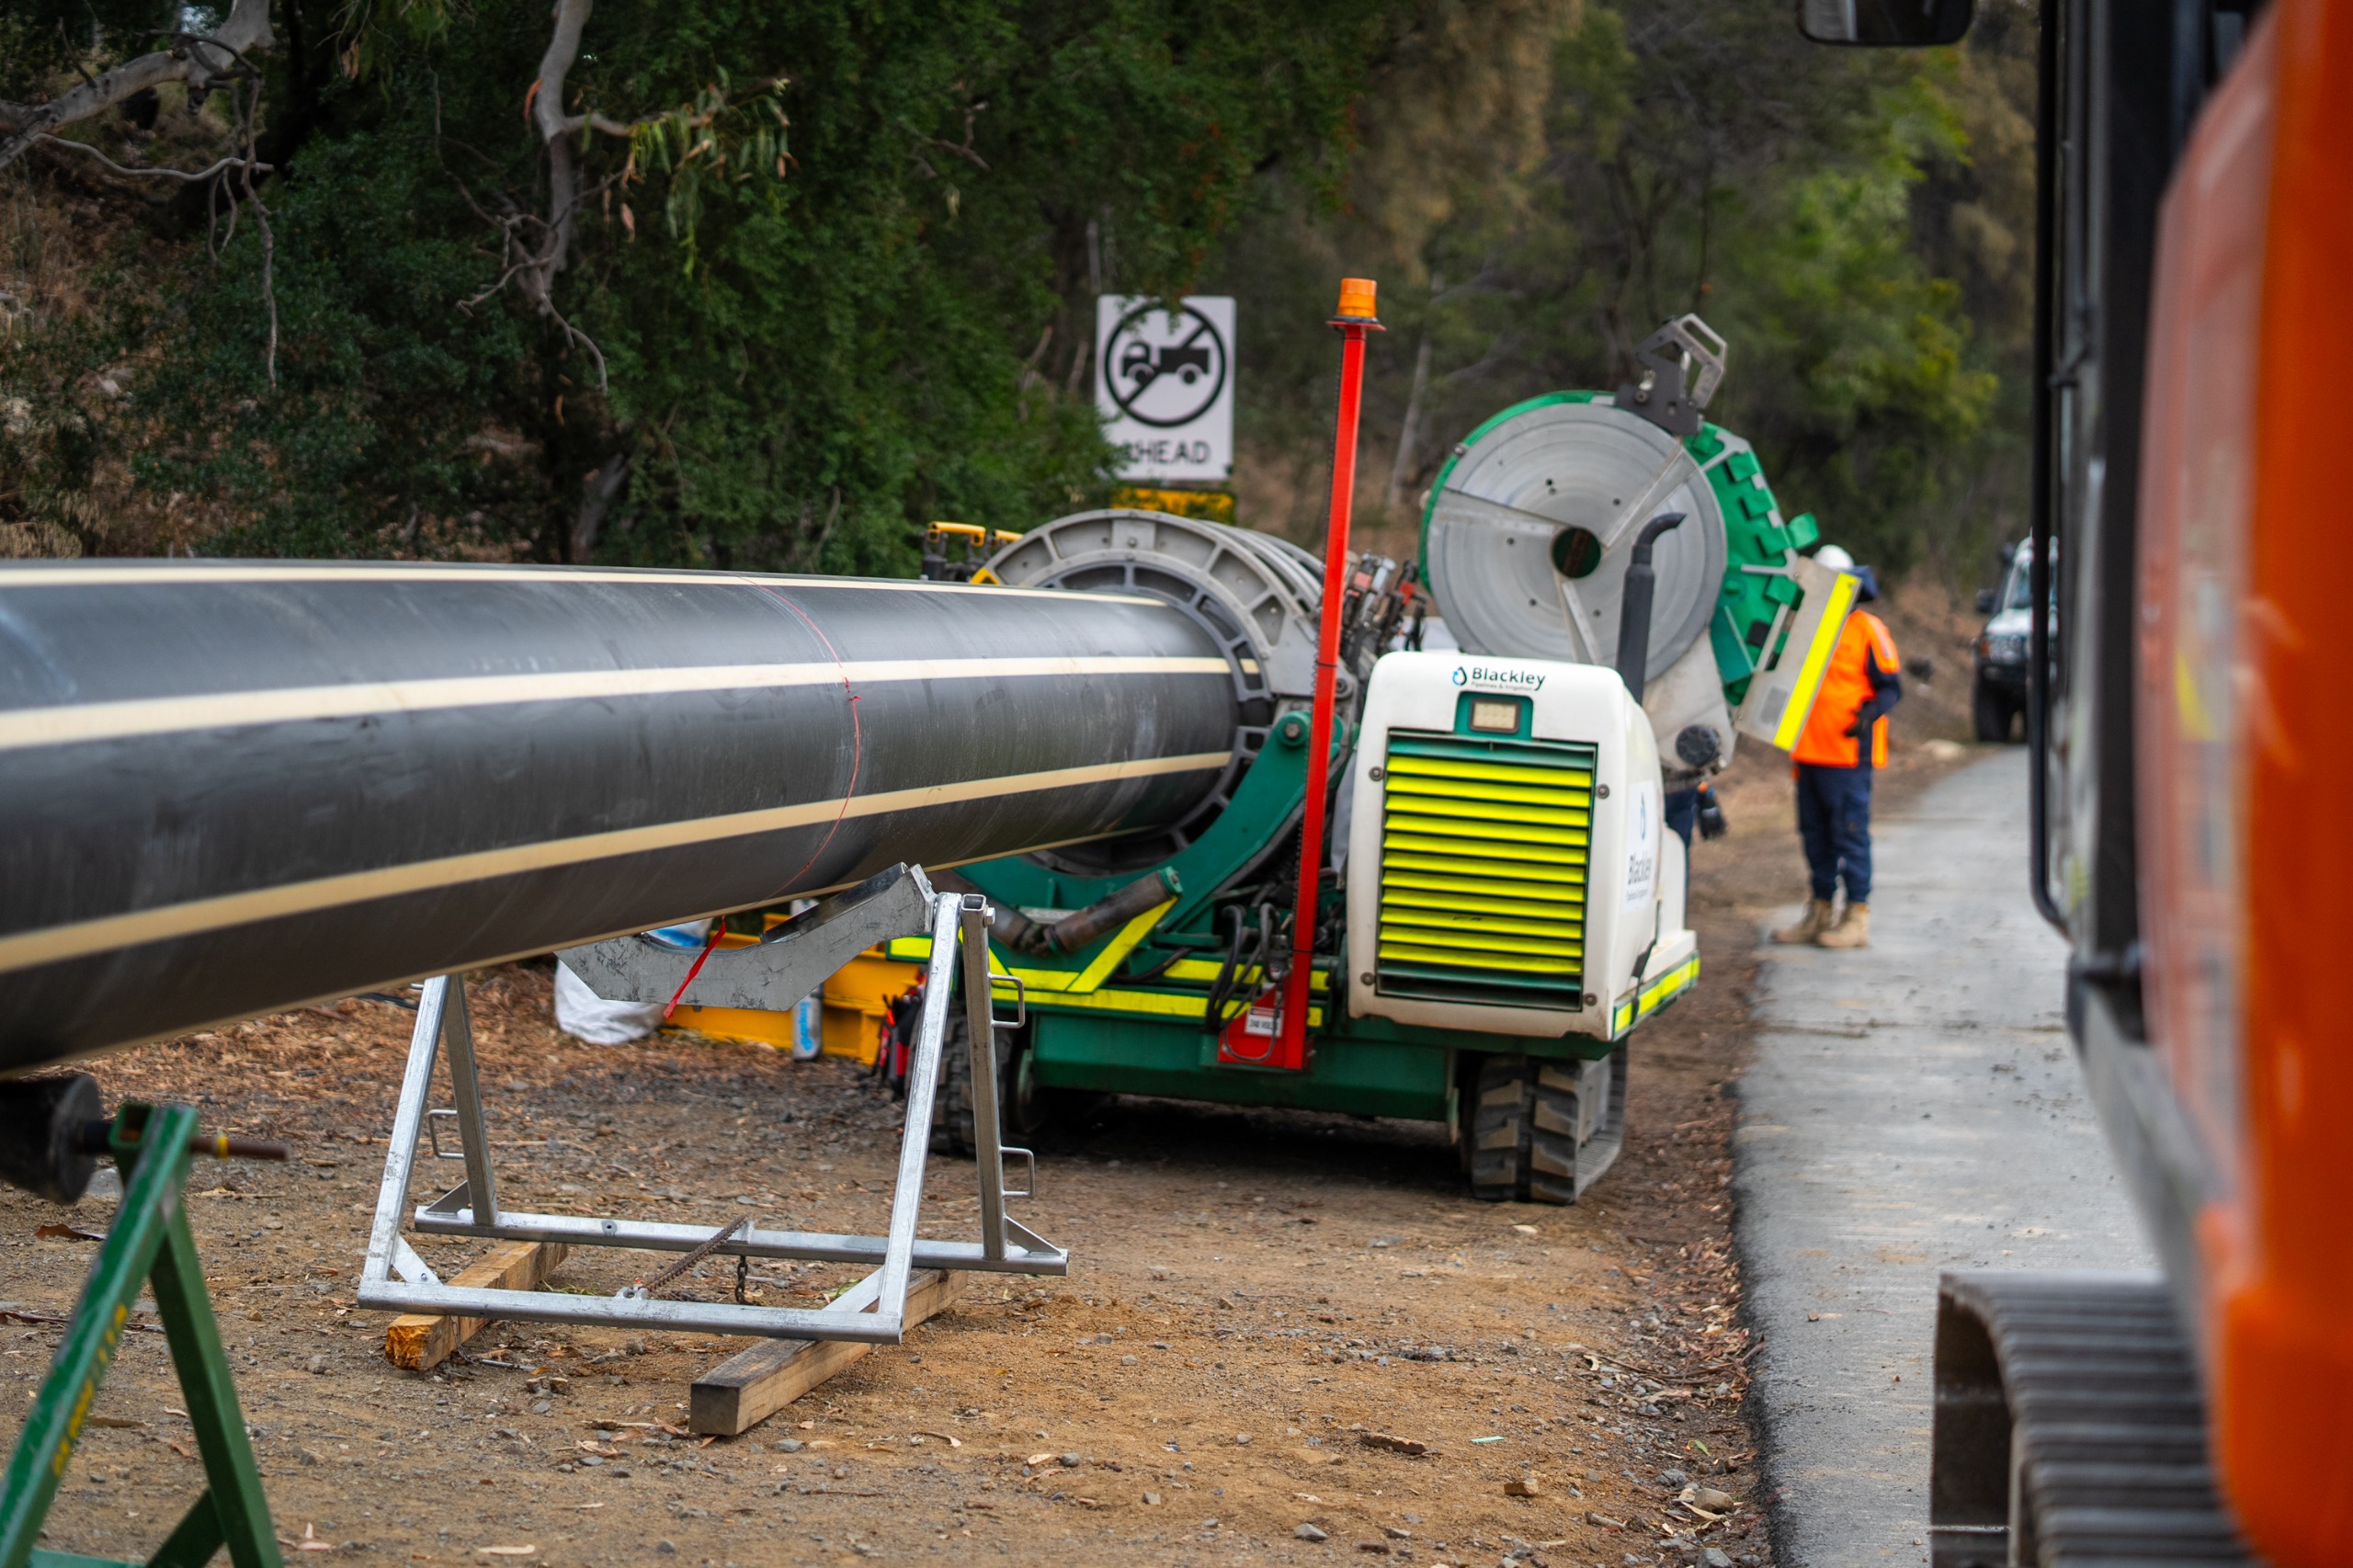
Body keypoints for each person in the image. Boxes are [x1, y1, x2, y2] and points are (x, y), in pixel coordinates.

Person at [1772, 545, 1902, 949]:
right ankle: (1820, 910)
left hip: (1847, 758)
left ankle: (1856, 916)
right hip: (1808, 753)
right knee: (1814, 835)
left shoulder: (1867, 629)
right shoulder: (1805, 628)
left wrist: (1867, 714)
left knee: (1849, 835)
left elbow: (1891, 688)